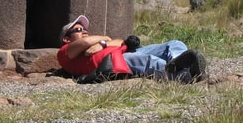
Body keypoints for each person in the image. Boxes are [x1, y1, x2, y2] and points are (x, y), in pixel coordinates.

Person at [57, 15, 207, 83]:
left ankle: (177, 62)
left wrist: (103, 43)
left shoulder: (98, 43)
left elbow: (118, 41)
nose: (84, 31)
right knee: (148, 61)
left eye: (85, 29)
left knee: (174, 43)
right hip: (114, 61)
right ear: (66, 39)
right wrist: (105, 41)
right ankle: (187, 75)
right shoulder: (64, 53)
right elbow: (87, 41)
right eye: (79, 29)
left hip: (126, 51)